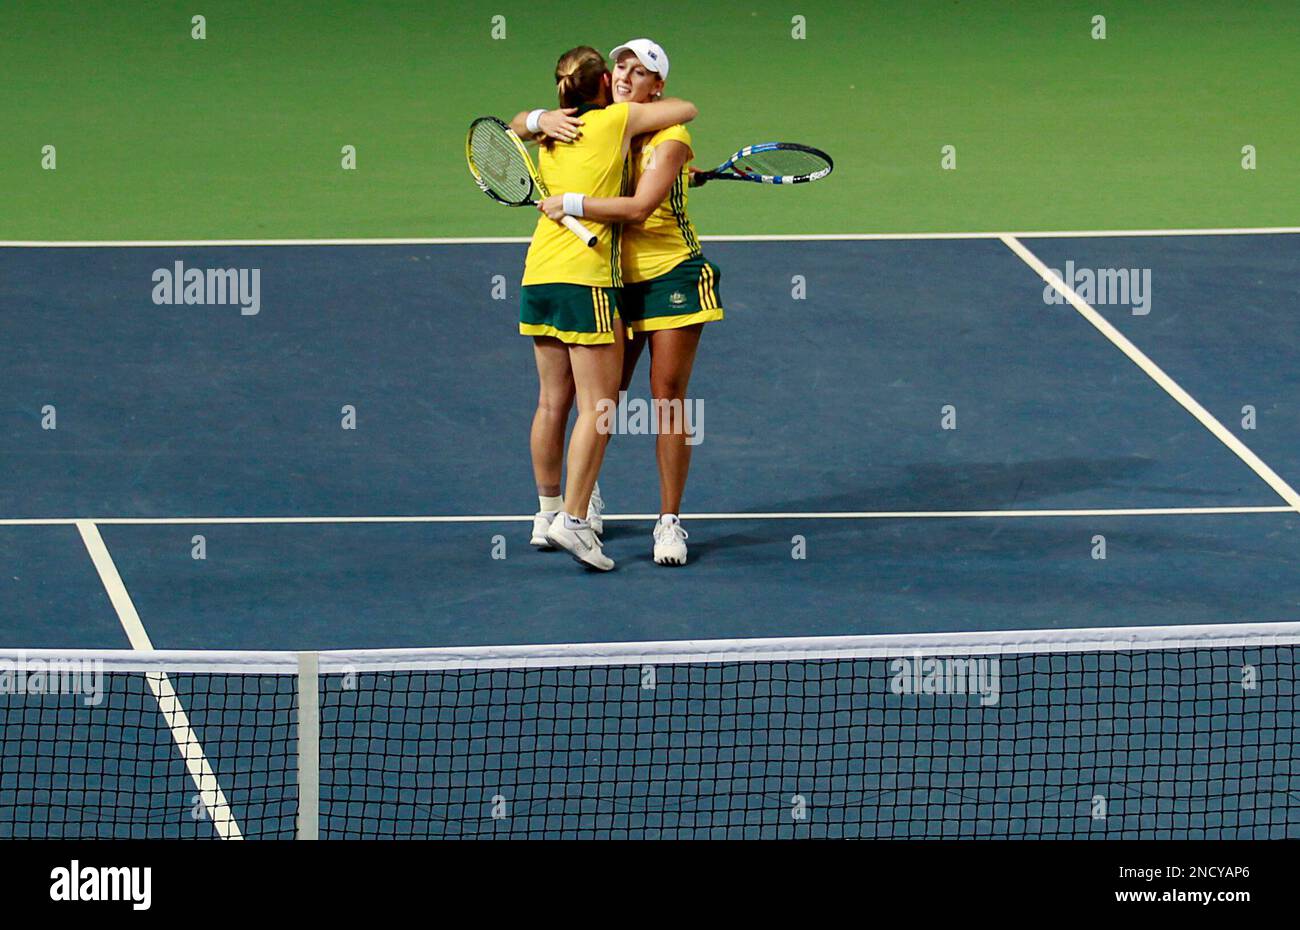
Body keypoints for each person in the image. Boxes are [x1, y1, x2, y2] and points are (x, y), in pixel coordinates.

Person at [508, 46, 698, 571]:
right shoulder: (607, 124)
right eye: (620, 66)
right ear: (602, 80)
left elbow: (640, 203)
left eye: (641, 71)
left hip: (656, 277)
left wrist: (541, 127)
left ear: (656, 85)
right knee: (598, 403)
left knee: (660, 400)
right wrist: (539, 118)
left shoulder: (589, 130)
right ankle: (573, 510)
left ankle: (654, 519)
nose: (626, 76)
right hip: (599, 282)